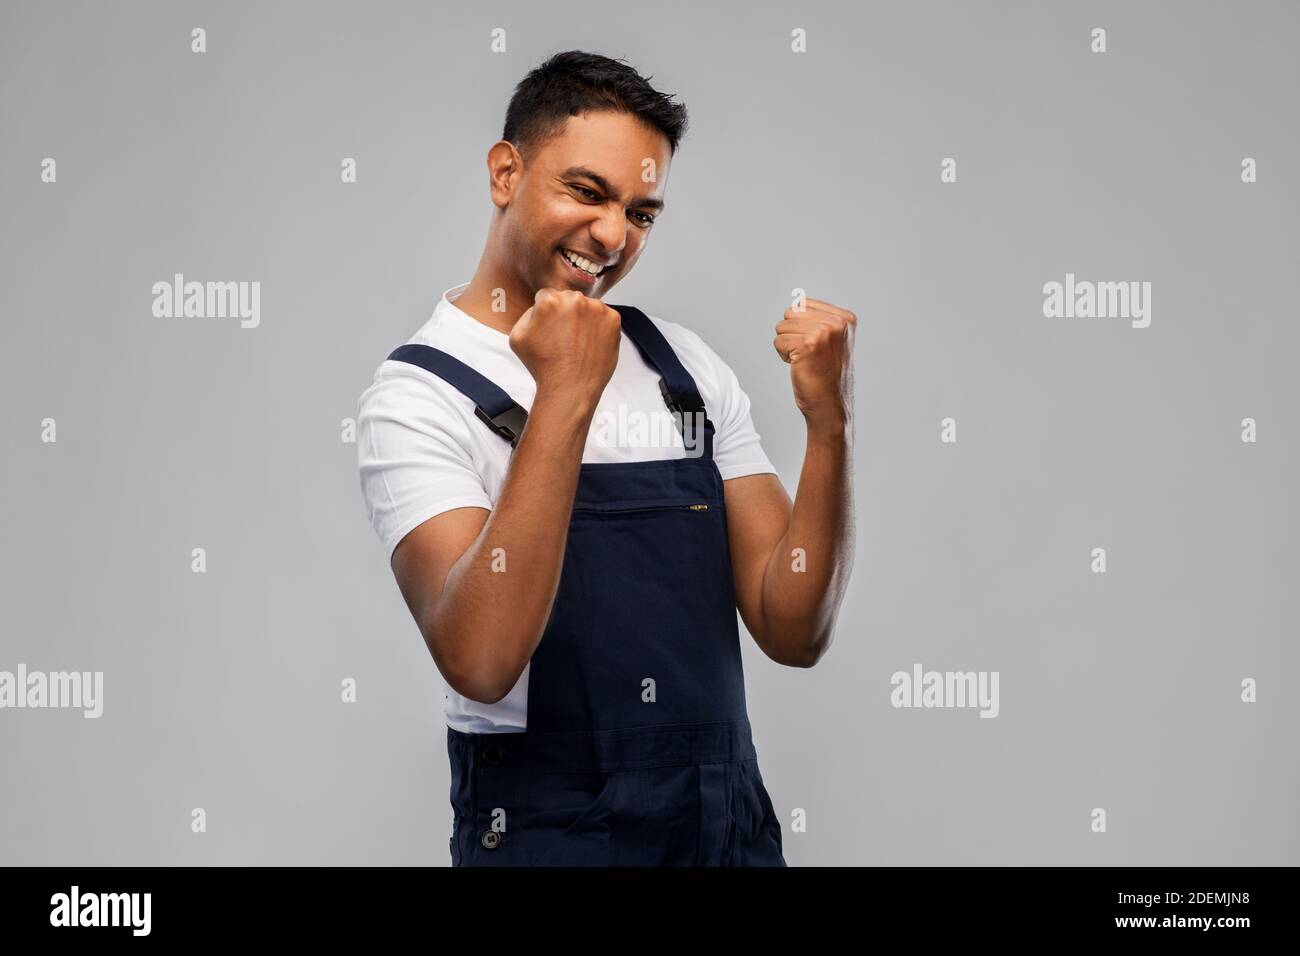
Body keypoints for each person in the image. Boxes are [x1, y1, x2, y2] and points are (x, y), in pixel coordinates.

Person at [356, 50, 856, 866]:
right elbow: (480, 660)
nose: (614, 235)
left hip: (723, 825)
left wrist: (829, 423)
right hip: (552, 833)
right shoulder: (418, 396)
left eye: (643, 212)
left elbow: (792, 626)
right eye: (586, 192)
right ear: (505, 173)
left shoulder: (682, 367)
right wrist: (564, 396)